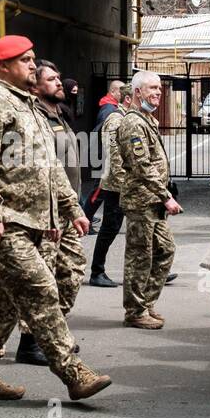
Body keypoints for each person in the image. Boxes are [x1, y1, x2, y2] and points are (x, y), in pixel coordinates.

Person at [0, 34, 111, 402]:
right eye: (25, 60)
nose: (33, 65)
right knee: (41, 289)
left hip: (32, 219)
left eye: (32, 58)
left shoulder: (28, 105)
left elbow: (49, 165)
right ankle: (73, 372)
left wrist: (72, 207)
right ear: (3, 66)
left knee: (1, 300)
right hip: (3, 221)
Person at [21, 59, 89, 362]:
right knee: (44, 280)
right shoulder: (33, 118)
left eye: (59, 77)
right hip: (46, 211)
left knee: (72, 272)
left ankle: (53, 333)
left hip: (67, 208)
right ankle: (32, 340)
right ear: (35, 86)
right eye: (51, 79)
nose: (59, 82)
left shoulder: (59, 115)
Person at [117, 70, 180, 329]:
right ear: (137, 92)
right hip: (141, 201)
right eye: (152, 88)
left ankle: (145, 303)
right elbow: (141, 165)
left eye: (159, 89)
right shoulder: (133, 123)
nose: (157, 93)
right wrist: (166, 196)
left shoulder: (147, 120)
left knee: (165, 250)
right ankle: (134, 311)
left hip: (153, 201)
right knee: (140, 256)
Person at [85, 85, 127, 287]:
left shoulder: (133, 116)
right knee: (110, 227)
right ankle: (97, 271)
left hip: (130, 185)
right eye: (151, 90)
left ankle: (154, 268)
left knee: (148, 228)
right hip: (117, 183)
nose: (157, 95)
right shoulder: (112, 114)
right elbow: (112, 152)